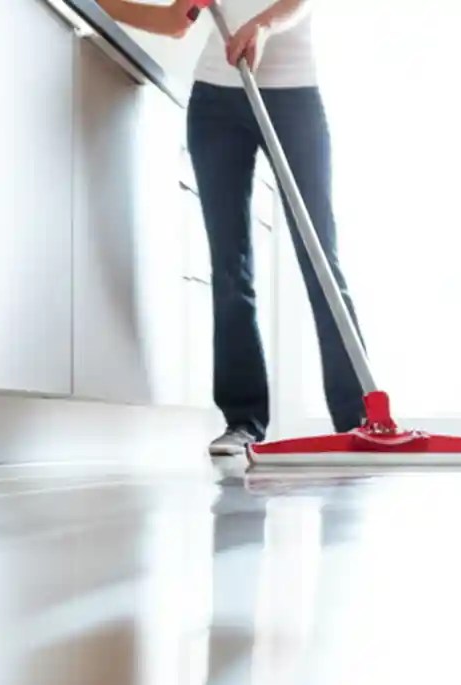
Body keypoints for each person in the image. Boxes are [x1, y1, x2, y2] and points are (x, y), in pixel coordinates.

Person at [99, 0, 366, 456]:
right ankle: (242, 420)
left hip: (294, 98)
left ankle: (357, 419)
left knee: (320, 259)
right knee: (229, 267)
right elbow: (172, 23)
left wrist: (261, 26)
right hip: (216, 105)